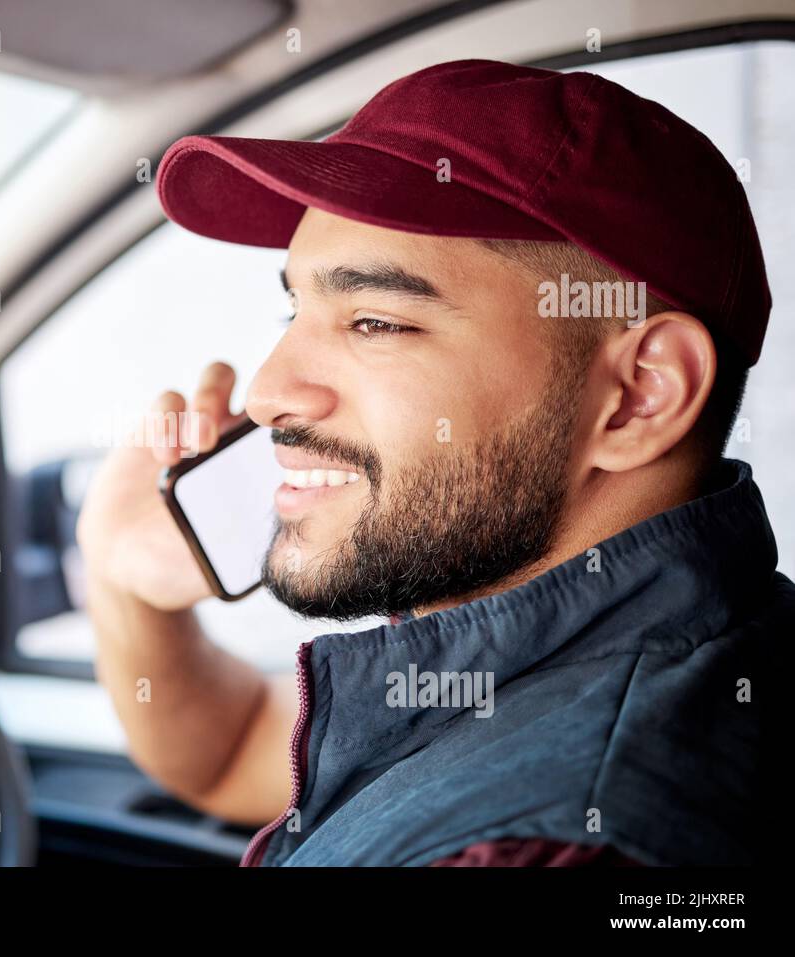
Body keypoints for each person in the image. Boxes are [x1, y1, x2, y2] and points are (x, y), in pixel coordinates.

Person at [75, 59, 781, 866]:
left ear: (639, 395)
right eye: (295, 309)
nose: (269, 391)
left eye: (374, 320)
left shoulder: (537, 847)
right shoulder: (605, 654)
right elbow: (232, 750)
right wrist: (123, 579)